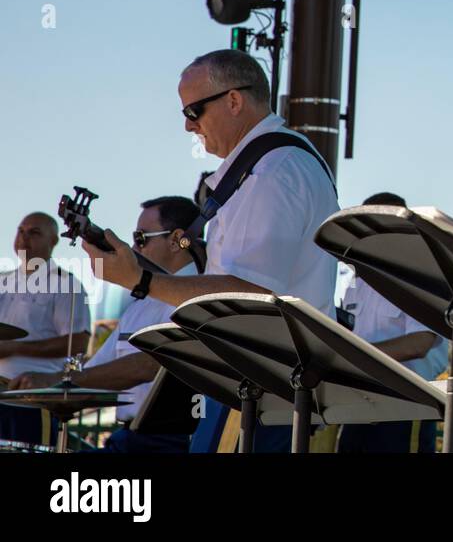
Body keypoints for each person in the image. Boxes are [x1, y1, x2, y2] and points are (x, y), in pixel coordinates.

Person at [83, 49, 340, 452]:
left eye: (194, 111)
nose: (188, 126)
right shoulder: (269, 166)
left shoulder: (272, 172)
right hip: (256, 387)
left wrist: (141, 279)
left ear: (234, 100)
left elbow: (248, 295)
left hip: (260, 391)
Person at [12, 196, 201, 453]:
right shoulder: (140, 304)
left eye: (141, 238)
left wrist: (57, 381)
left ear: (177, 240)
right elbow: (92, 372)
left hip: (173, 441)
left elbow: (151, 364)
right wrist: (49, 388)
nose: (134, 247)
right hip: (130, 437)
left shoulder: (197, 297)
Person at [335, 192, 448, 453]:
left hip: (407, 406)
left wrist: (354, 358)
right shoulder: (356, 281)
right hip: (360, 405)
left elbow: (420, 343)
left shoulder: (420, 275)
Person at [0, 212, 91, 446]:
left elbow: (78, 342)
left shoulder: (66, 284)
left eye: (34, 232)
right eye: (21, 231)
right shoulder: (3, 281)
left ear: (53, 241)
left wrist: (14, 348)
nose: (24, 238)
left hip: (31, 397)